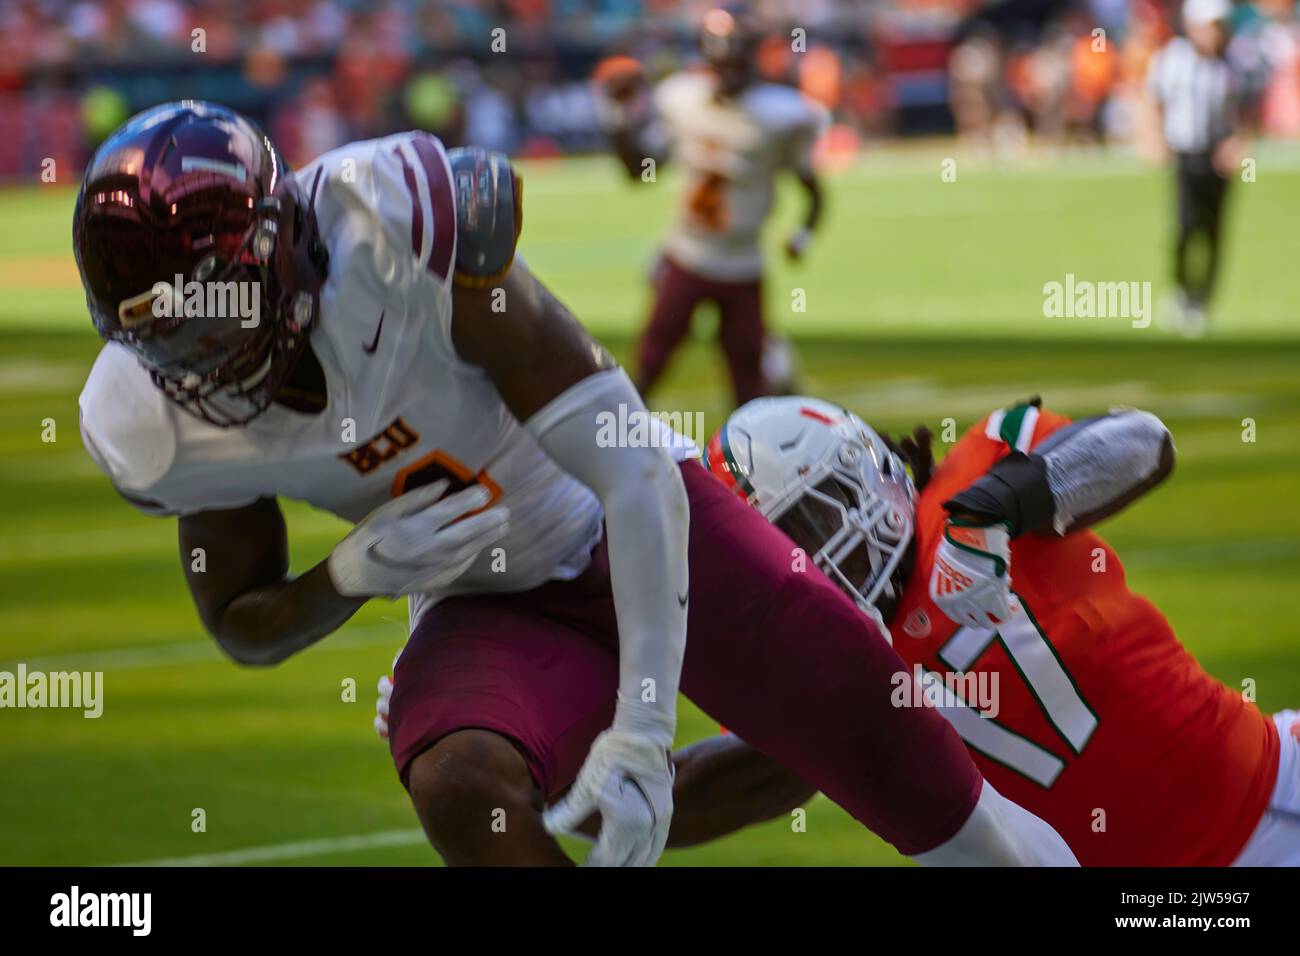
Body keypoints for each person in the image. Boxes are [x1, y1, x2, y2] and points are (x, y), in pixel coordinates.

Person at [74, 101, 1075, 868]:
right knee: (464, 781)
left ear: (281, 240)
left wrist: (643, 722)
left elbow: (630, 464)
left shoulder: (397, 230)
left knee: (906, 765)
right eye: (167, 339)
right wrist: (349, 576)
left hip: (615, 510)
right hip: (481, 596)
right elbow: (242, 622)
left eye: (213, 313)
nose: (201, 361)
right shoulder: (151, 421)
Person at [525, 394, 1289, 865]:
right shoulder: (826, 670)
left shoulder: (971, 479)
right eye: (773, 552)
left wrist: (999, 504)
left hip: (1275, 795)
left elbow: (1141, 442)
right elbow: (697, 796)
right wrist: (527, 781)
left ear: (861, 477)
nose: (805, 564)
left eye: (807, 525)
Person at [593, 7, 822, 405]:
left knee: (749, 379)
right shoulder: (681, 99)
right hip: (688, 256)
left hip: (744, 262)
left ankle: (759, 429)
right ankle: (621, 438)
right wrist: (618, 120)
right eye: (721, 62)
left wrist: (803, 234)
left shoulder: (783, 115)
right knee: (650, 361)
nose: (729, 74)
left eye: (736, 61)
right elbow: (640, 172)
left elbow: (812, 188)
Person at [1143, 0, 1254, 336]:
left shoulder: (1234, 62)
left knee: (1215, 228)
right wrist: (1153, 138)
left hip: (1217, 155)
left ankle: (1202, 300)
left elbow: (1245, 110)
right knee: (1184, 225)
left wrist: (1238, 145)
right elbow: (1153, 100)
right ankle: (1181, 290)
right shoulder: (1173, 58)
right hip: (1185, 152)